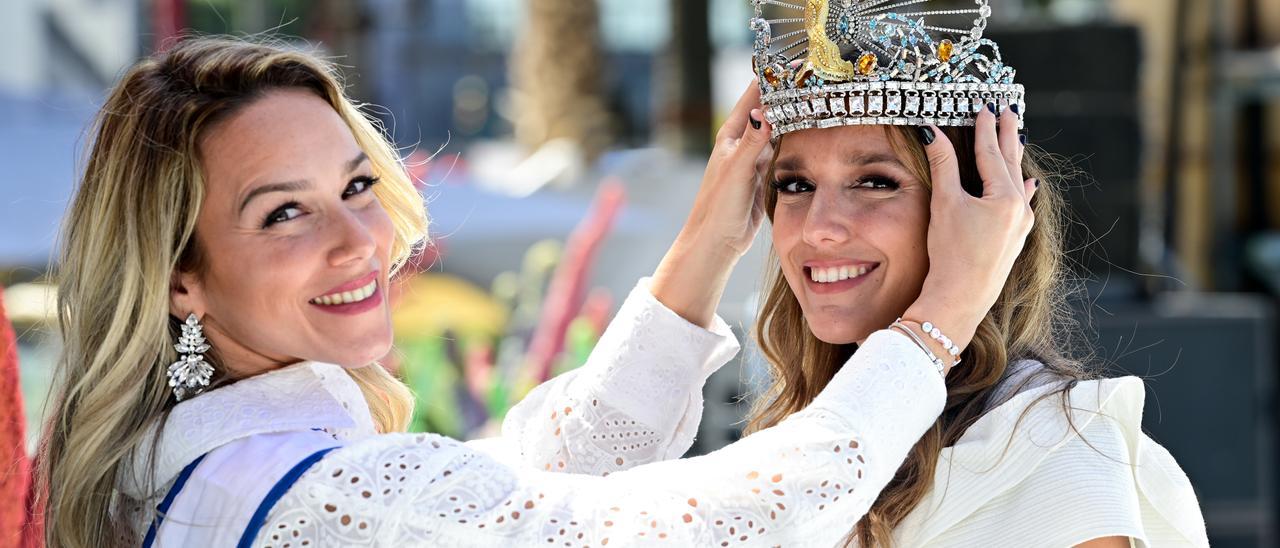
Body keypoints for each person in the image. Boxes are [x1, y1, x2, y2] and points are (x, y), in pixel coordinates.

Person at [36, 35, 1032, 547]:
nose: (359, 239)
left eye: (354, 187)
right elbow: (716, 526)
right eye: (283, 213)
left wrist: (695, 260)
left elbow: (525, 486)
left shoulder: (202, 467)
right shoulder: (301, 491)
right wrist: (941, 313)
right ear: (180, 276)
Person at [587, 1, 1209, 546]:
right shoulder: (793, 439)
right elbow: (586, 498)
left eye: (876, 182)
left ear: (981, 207)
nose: (819, 226)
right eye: (795, 185)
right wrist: (706, 240)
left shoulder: (1055, 457)